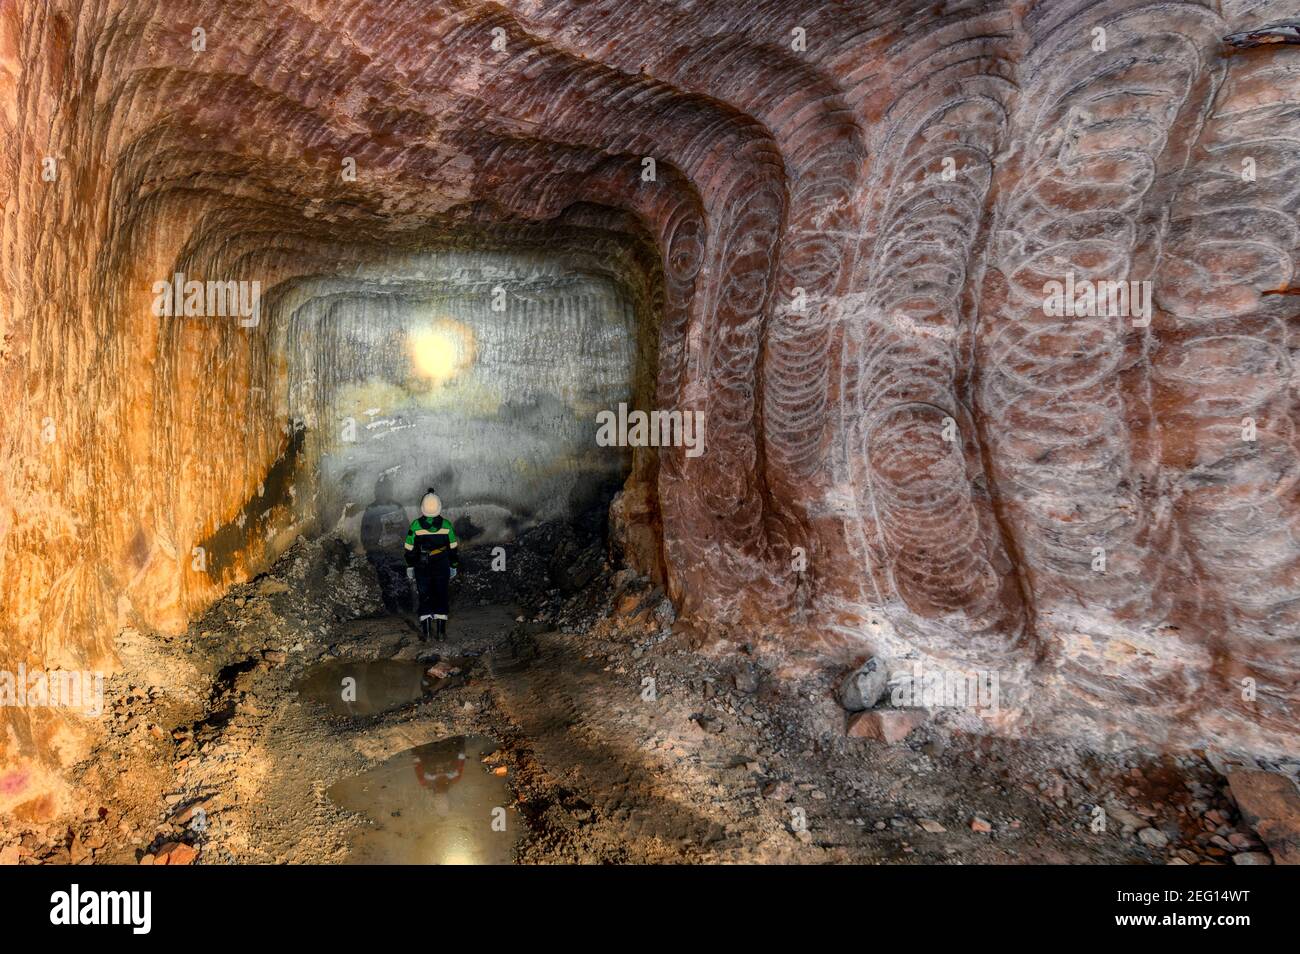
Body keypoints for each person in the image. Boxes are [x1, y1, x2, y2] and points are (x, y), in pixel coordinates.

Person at [405, 488, 459, 641]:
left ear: (422, 507)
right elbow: (453, 549)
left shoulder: (415, 525)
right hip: (442, 564)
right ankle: (441, 633)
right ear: (439, 506)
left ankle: (427, 634)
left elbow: (409, 549)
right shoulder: (447, 525)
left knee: (425, 597)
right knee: (441, 595)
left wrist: (410, 566)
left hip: (422, 566)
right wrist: (453, 565)